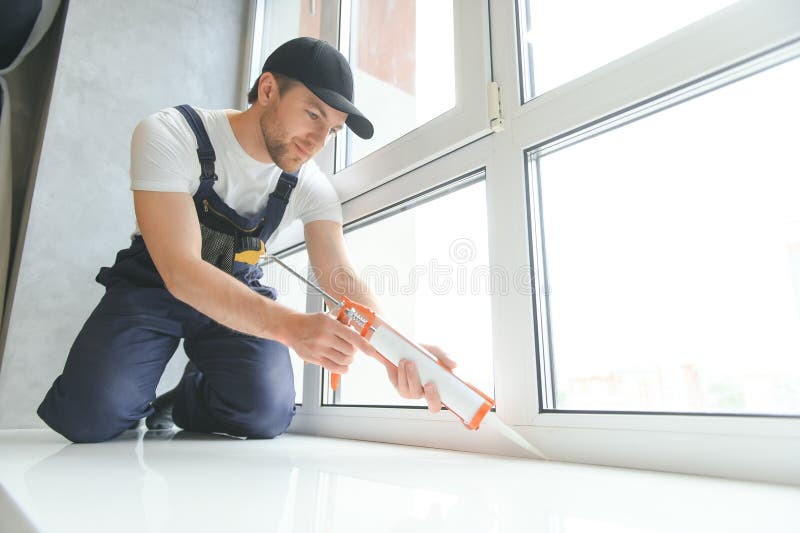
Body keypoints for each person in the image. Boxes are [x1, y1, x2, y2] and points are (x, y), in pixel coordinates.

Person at [37, 37, 457, 443]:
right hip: (155, 284)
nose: (318, 142)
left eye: (332, 130)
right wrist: (291, 328)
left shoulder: (310, 186)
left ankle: (184, 401)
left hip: (238, 290)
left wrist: (402, 353)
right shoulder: (171, 133)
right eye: (312, 114)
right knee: (89, 418)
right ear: (269, 89)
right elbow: (180, 271)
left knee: (267, 413)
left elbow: (340, 277)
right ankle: (127, 398)